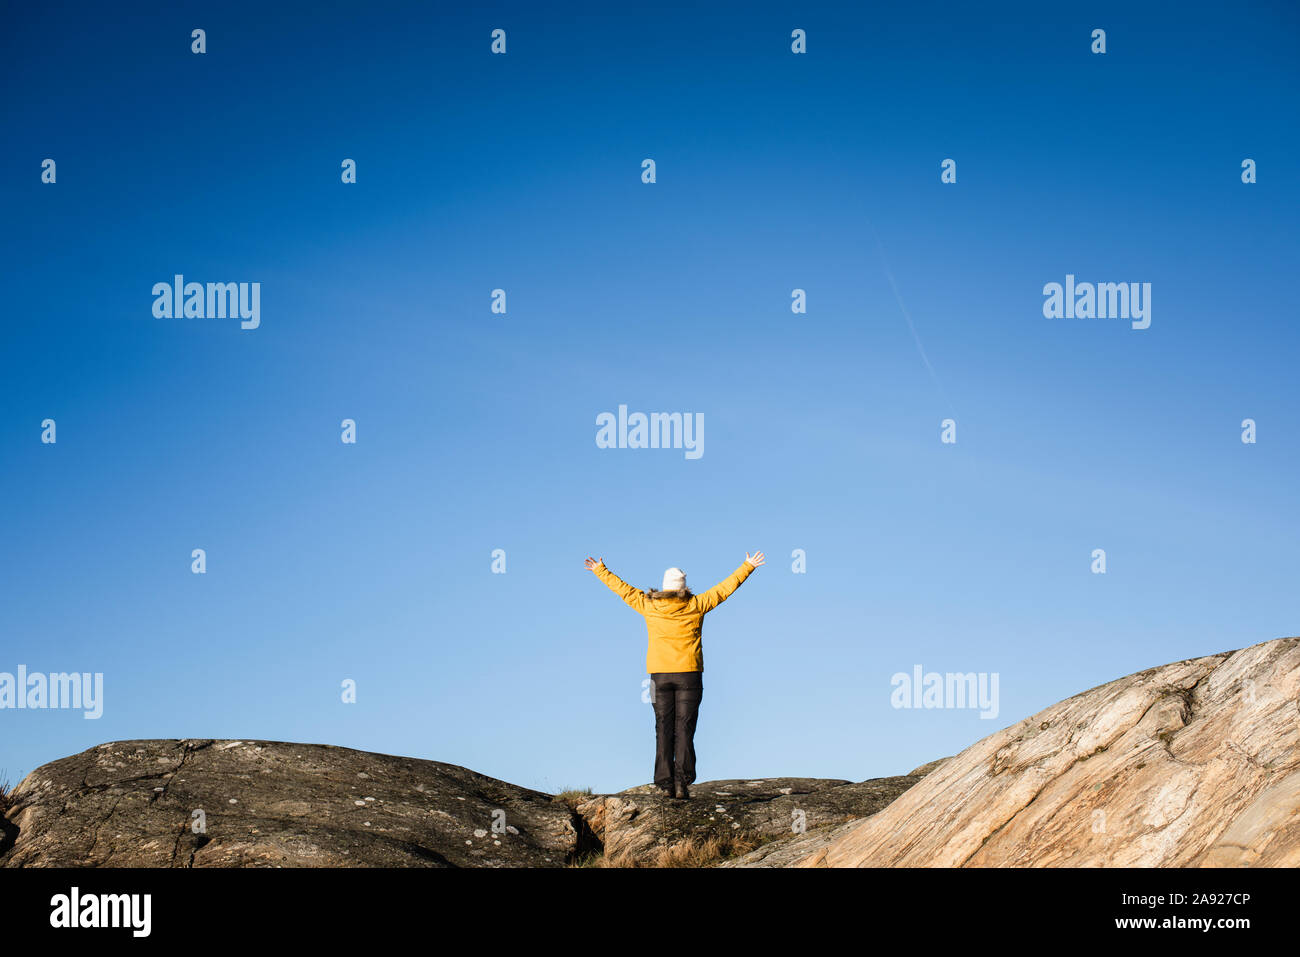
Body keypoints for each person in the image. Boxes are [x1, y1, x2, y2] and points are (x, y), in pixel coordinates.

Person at [584, 552, 765, 799]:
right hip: (689, 675)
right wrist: (748, 566)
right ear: (684, 587)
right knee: (685, 728)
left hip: (659, 675)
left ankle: (665, 783)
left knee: (662, 727)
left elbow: (623, 590)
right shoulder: (696, 604)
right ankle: (682, 783)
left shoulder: (648, 604)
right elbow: (724, 589)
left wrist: (599, 570)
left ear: (664, 586)